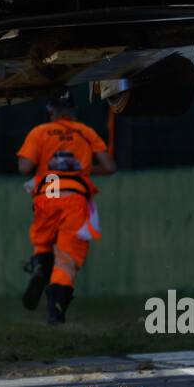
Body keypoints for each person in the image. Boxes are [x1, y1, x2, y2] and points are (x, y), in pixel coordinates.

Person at [17, 91, 115, 324]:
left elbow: (24, 167)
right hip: (75, 196)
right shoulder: (86, 132)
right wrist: (82, 171)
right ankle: (57, 306)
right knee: (68, 256)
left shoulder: (39, 132)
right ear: (72, 111)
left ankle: (41, 264)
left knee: (42, 241)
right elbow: (109, 167)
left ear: (51, 110)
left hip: (46, 195)